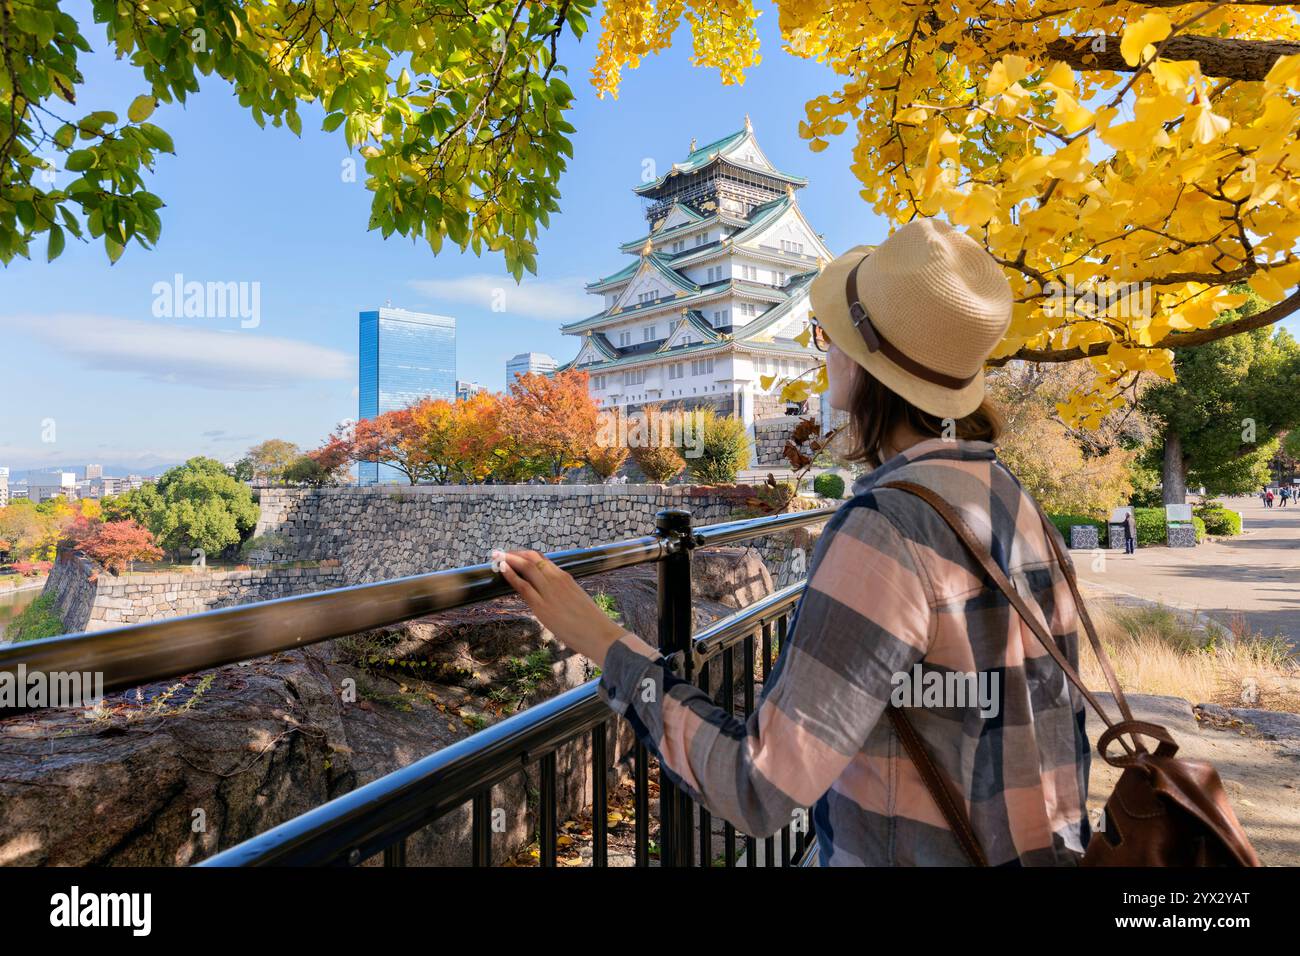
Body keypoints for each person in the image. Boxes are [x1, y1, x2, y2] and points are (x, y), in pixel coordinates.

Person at [495, 219, 1091, 866]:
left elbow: (759, 786)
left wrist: (603, 642)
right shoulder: (1010, 498)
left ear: (866, 362)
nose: (821, 351)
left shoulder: (886, 527)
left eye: (828, 336)